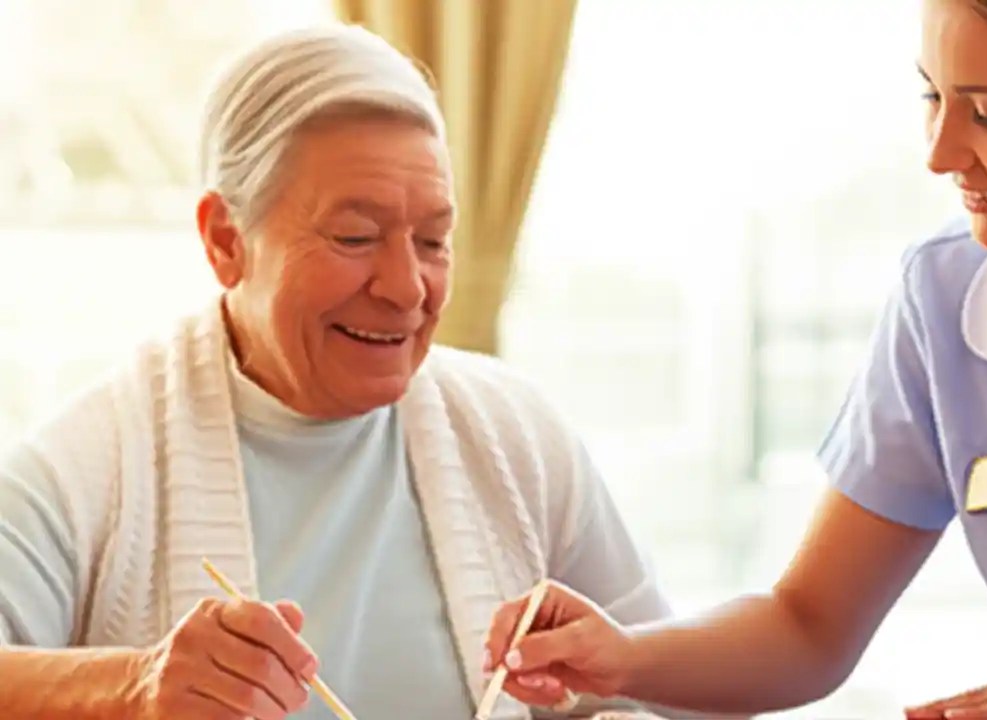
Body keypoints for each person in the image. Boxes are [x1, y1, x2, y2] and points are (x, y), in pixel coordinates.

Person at [483, 0, 987, 717]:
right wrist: (624, 656)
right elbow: (808, 626)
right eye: (933, 97)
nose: (940, 154)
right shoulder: (943, 297)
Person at [0, 23, 673, 720]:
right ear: (226, 242)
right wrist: (132, 687)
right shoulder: (92, 467)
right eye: (355, 237)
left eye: (434, 241)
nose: (407, 288)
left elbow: (672, 689)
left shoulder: (517, 437)